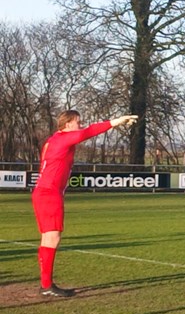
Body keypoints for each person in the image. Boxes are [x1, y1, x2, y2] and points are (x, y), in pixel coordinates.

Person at [32, 110, 138, 297]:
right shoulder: (63, 138)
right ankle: (47, 285)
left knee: (47, 237)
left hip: (43, 192)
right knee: (53, 237)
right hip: (49, 193)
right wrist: (116, 121)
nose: (80, 125)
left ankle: (46, 283)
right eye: (77, 122)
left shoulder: (53, 139)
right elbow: (87, 132)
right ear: (68, 124)